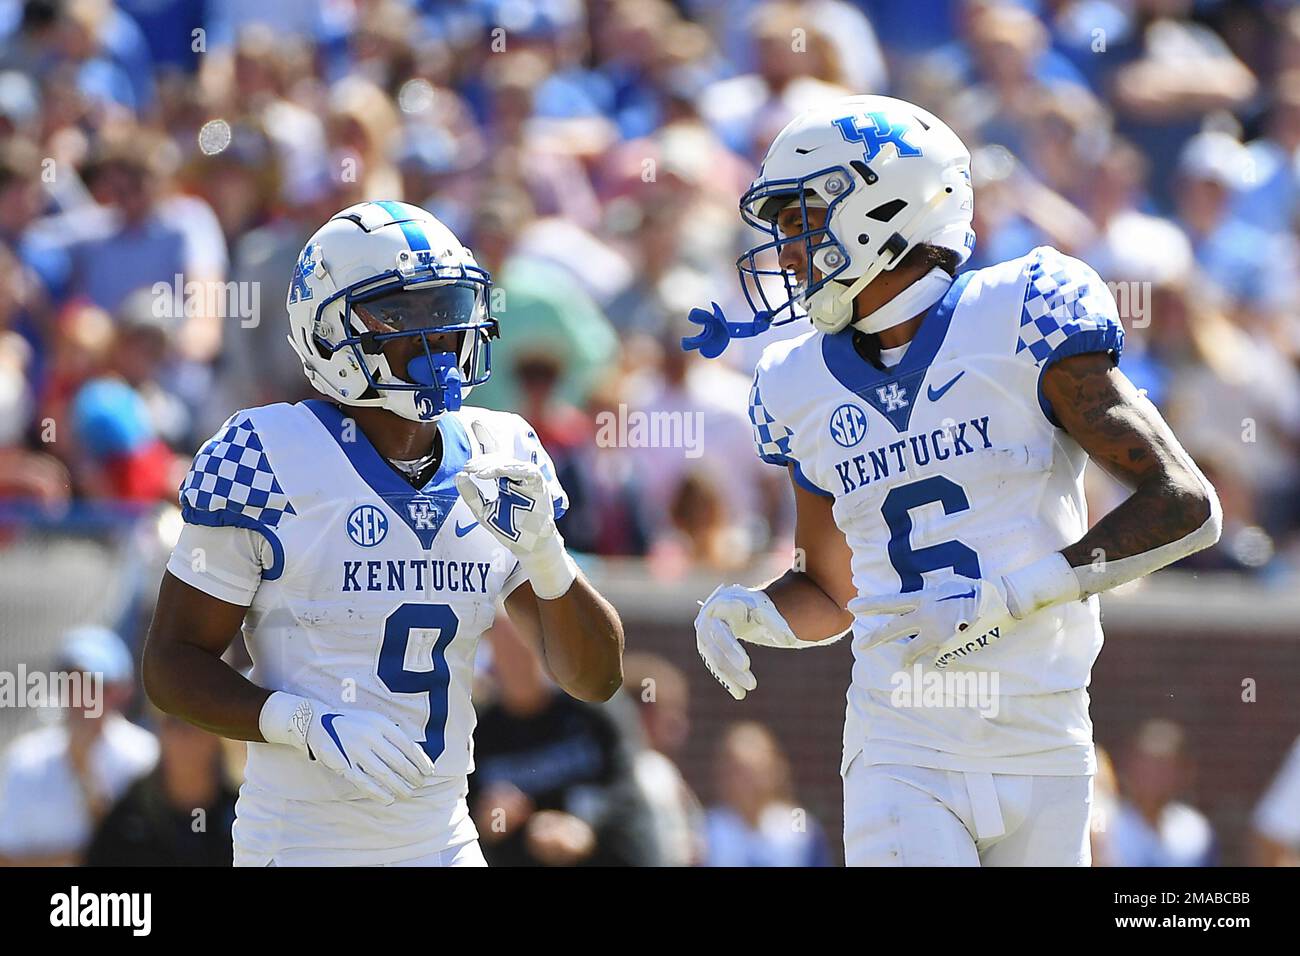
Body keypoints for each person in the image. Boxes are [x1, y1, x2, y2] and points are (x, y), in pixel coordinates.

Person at [687, 95, 1221, 866]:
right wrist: (757, 612)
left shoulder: (1021, 312)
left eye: (803, 218)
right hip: (901, 740)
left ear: (883, 204)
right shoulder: (794, 382)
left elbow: (1184, 505)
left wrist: (1007, 598)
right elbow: (832, 592)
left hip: (1047, 735)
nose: (789, 252)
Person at [142, 200, 625, 867]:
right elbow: (171, 666)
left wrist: (547, 556)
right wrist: (304, 724)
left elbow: (595, 678)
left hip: (444, 840)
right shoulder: (264, 454)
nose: (441, 335)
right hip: (301, 844)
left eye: (448, 306)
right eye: (403, 313)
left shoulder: (501, 450)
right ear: (326, 332)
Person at [0, 626, 158, 866]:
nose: (83, 697)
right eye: (73, 683)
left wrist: (84, 773)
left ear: (122, 691)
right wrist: (78, 857)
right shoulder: (25, 758)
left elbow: (145, 849)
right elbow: (6, 857)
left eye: (95, 685)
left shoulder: (145, 757)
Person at [85, 710, 239, 867]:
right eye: (174, 722)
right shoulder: (128, 818)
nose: (183, 735)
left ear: (218, 736)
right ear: (159, 730)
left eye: (197, 724)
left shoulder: (241, 814)